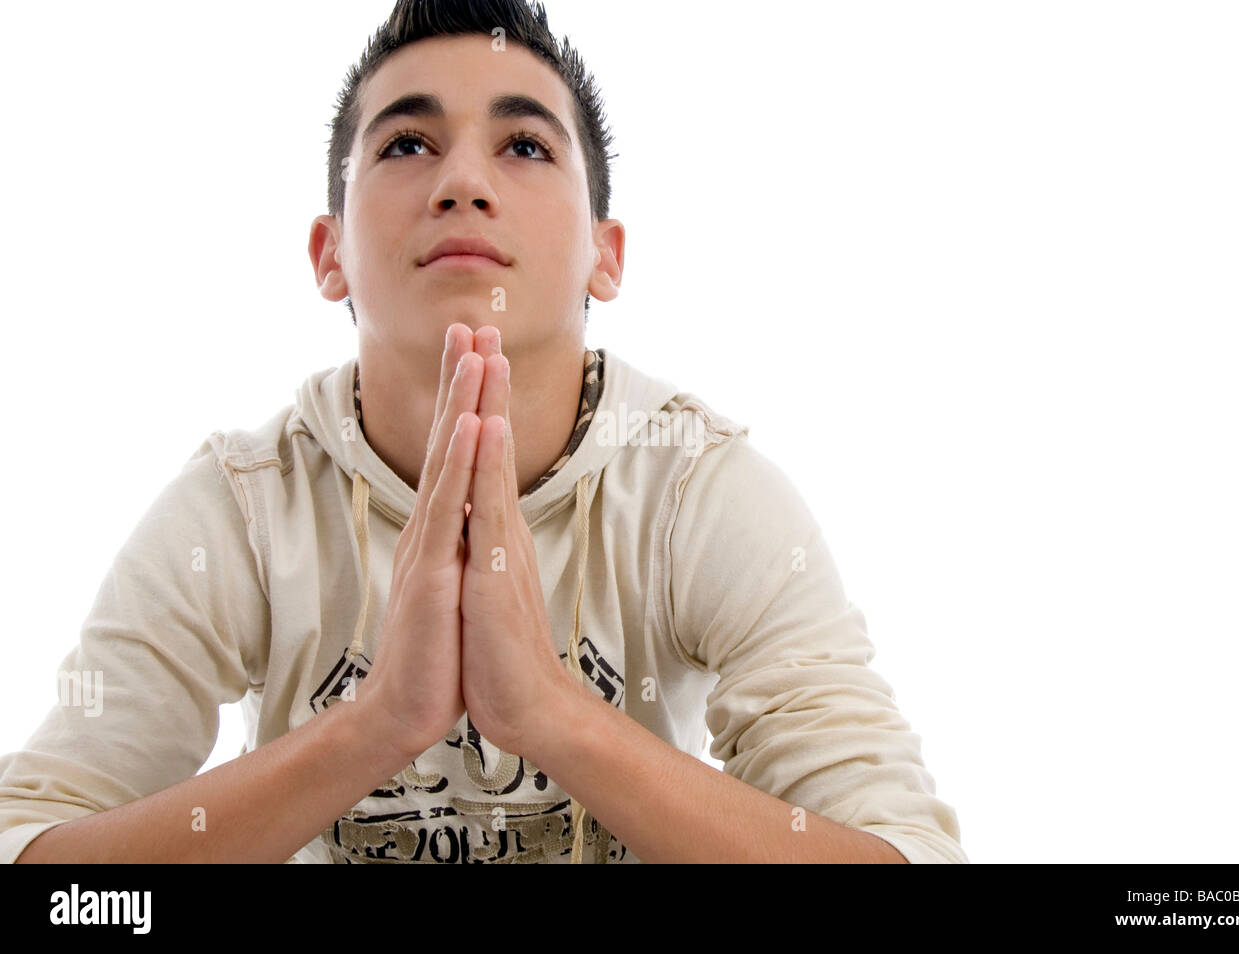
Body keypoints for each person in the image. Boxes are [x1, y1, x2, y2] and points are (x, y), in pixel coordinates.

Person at [0, 0, 967, 864]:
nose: (462, 180)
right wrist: (375, 725)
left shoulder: (696, 493)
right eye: (407, 144)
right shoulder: (243, 510)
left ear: (607, 254)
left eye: (526, 147)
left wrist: (553, 715)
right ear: (328, 253)